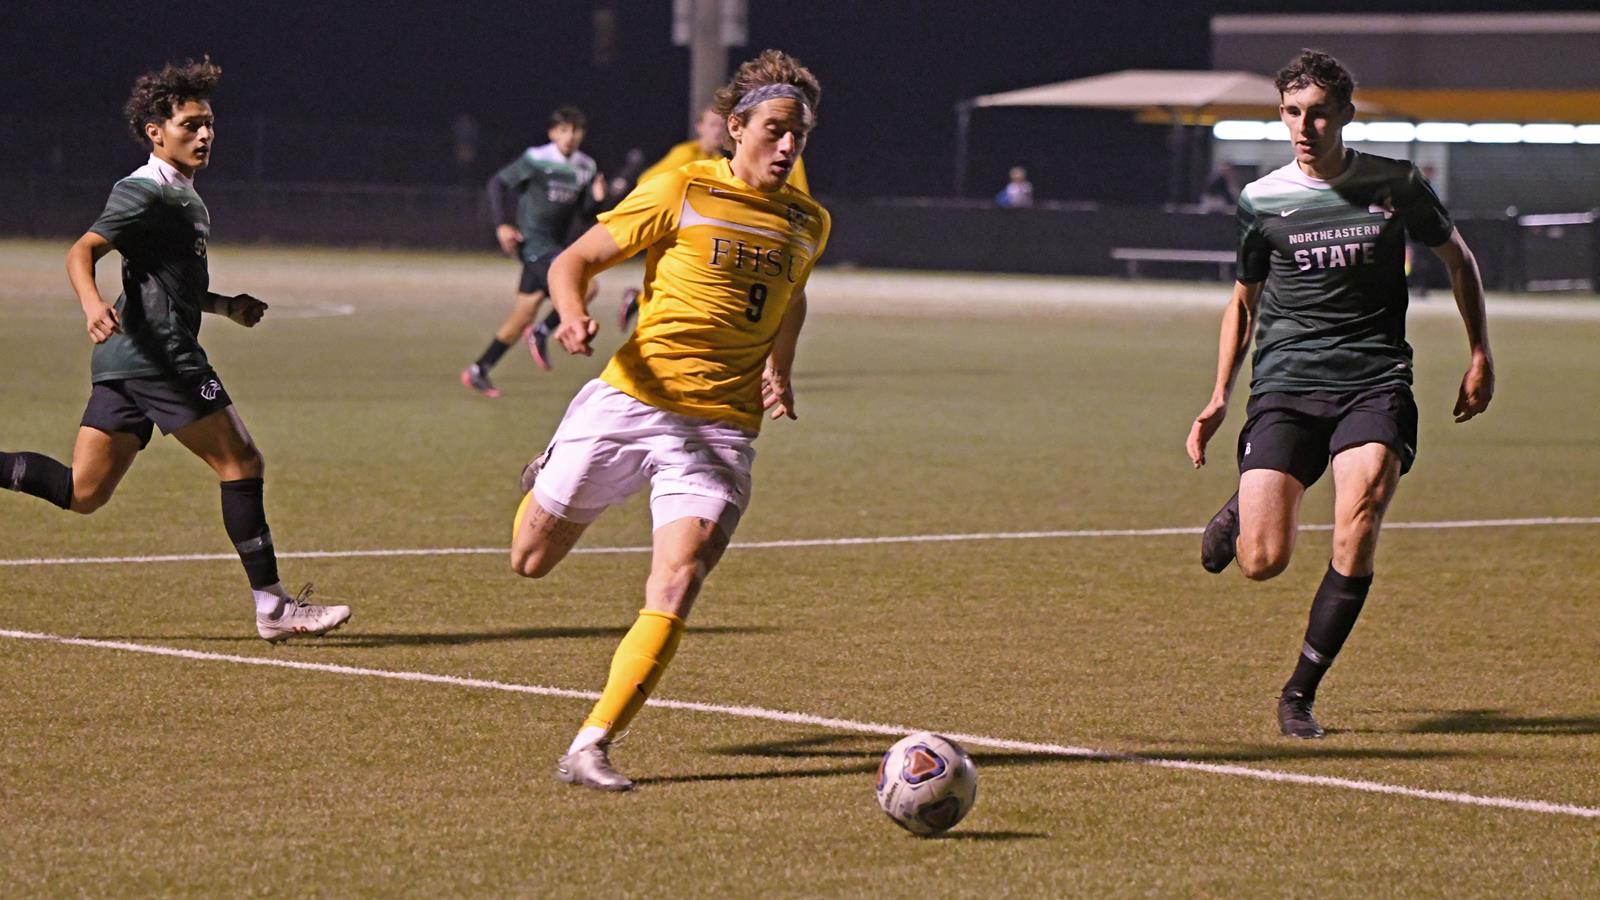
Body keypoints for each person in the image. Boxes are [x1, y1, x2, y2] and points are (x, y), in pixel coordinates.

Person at [509, 49, 830, 790]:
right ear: (737, 127)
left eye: (799, 137)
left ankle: (591, 743)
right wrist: (570, 313)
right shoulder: (681, 189)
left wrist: (780, 364)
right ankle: (550, 468)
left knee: (678, 580)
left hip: (720, 429)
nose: (788, 147)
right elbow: (574, 260)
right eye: (776, 130)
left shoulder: (809, 223)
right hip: (632, 400)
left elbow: (794, 294)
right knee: (530, 558)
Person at [1186, 49, 1493, 739]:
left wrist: (1480, 353)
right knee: (1262, 562)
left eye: (1319, 112)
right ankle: (1247, 503)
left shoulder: (1396, 183)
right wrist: (1218, 395)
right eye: (1293, 111)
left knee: (1360, 521)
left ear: (1346, 116)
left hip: (1374, 380)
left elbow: (1459, 259)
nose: (1305, 125)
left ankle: (1298, 692)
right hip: (1288, 384)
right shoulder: (1262, 199)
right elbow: (1243, 303)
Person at [1, 58, 351, 642]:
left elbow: (168, 283)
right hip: (161, 358)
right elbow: (81, 251)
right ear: (154, 132)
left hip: (125, 362)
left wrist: (224, 306)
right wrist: (91, 305)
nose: (205, 134)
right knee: (242, 463)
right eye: (190, 125)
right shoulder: (145, 191)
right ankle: (274, 607)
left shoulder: (181, 195)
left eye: (209, 123)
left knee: (82, 493)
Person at [615, 106, 812, 329]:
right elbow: (647, 182)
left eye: (721, 126)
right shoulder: (686, 155)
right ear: (699, 127)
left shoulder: (722, 163)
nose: (717, 131)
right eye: (712, 125)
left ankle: (641, 303)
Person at [461, 107, 605, 396]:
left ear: (582, 134)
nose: (569, 136)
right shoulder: (537, 159)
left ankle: (479, 369)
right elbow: (497, 184)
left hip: (555, 247)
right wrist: (502, 225)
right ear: (553, 133)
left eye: (575, 131)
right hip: (535, 245)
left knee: (522, 315)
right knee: (587, 287)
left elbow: (585, 215)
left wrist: (599, 200)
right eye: (563, 130)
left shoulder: (586, 167)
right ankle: (541, 332)